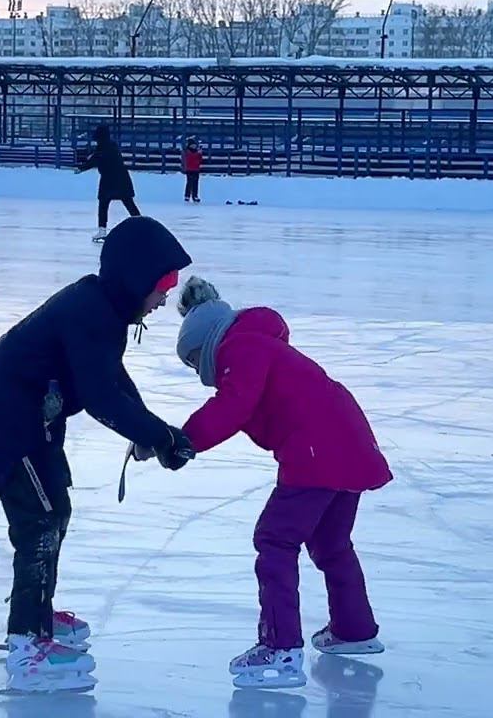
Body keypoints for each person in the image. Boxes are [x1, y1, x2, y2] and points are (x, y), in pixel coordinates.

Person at [0, 216, 196, 694]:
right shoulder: (91, 312)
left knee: (54, 511)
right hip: (6, 428)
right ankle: (27, 640)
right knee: (39, 522)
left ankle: (38, 613)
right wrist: (159, 437)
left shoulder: (101, 309)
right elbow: (100, 397)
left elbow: (111, 377)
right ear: (136, 277)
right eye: (162, 286)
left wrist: (150, 429)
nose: (165, 298)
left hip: (31, 425)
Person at [166, 277, 392, 689]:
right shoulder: (257, 343)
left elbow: (232, 406)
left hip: (317, 451)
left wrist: (183, 441)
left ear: (206, 342)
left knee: (274, 539)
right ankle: (354, 630)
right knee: (331, 542)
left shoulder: (240, 348)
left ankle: (280, 646)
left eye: (193, 359)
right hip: (349, 442)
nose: (196, 370)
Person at [75, 125, 140, 242]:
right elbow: (95, 158)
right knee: (128, 202)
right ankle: (141, 224)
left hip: (110, 180)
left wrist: (81, 168)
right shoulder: (111, 146)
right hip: (121, 179)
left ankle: (102, 230)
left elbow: (94, 159)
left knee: (104, 204)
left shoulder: (103, 148)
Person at [182, 138, 203, 203]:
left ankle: (195, 196)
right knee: (189, 182)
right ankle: (187, 195)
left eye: (194, 145)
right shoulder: (187, 151)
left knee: (195, 183)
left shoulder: (197, 152)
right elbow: (190, 158)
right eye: (192, 145)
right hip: (189, 169)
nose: (194, 146)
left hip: (196, 169)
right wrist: (198, 154)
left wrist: (200, 154)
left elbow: (200, 160)